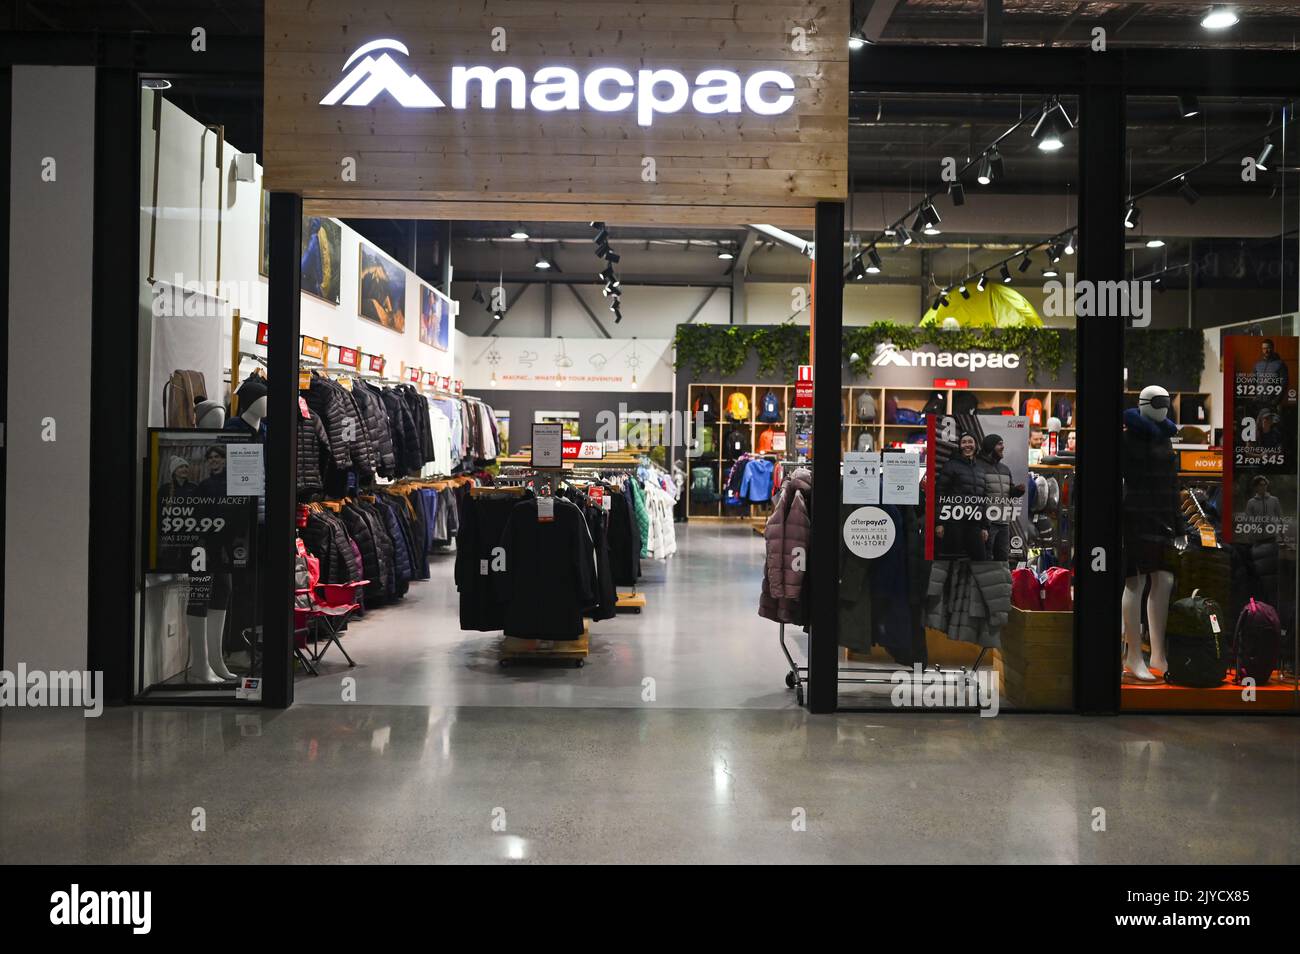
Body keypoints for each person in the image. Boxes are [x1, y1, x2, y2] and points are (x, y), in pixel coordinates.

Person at [935, 432, 989, 560]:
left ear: (976, 445)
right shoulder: (951, 465)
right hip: (954, 523)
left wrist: (984, 526)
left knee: (980, 561)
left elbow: (983, 499)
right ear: (959, 446)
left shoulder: (980, 469)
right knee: (952, 562)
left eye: (970, 441)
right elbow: (940, 494)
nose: (967, 445)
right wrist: (939, 523)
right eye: (964, 442)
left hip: (975, 524)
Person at [975, 433, 1025, 561]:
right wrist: (982, 525)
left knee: (1003, 559)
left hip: (1004, 522)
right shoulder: (977, 466)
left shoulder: (1005, 469)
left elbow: (1009, 492)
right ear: (991, 447)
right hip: (988, 523)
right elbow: (976, 495)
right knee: (986, 559)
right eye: (999, 444)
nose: (1003, 447)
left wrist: (1017, 491)